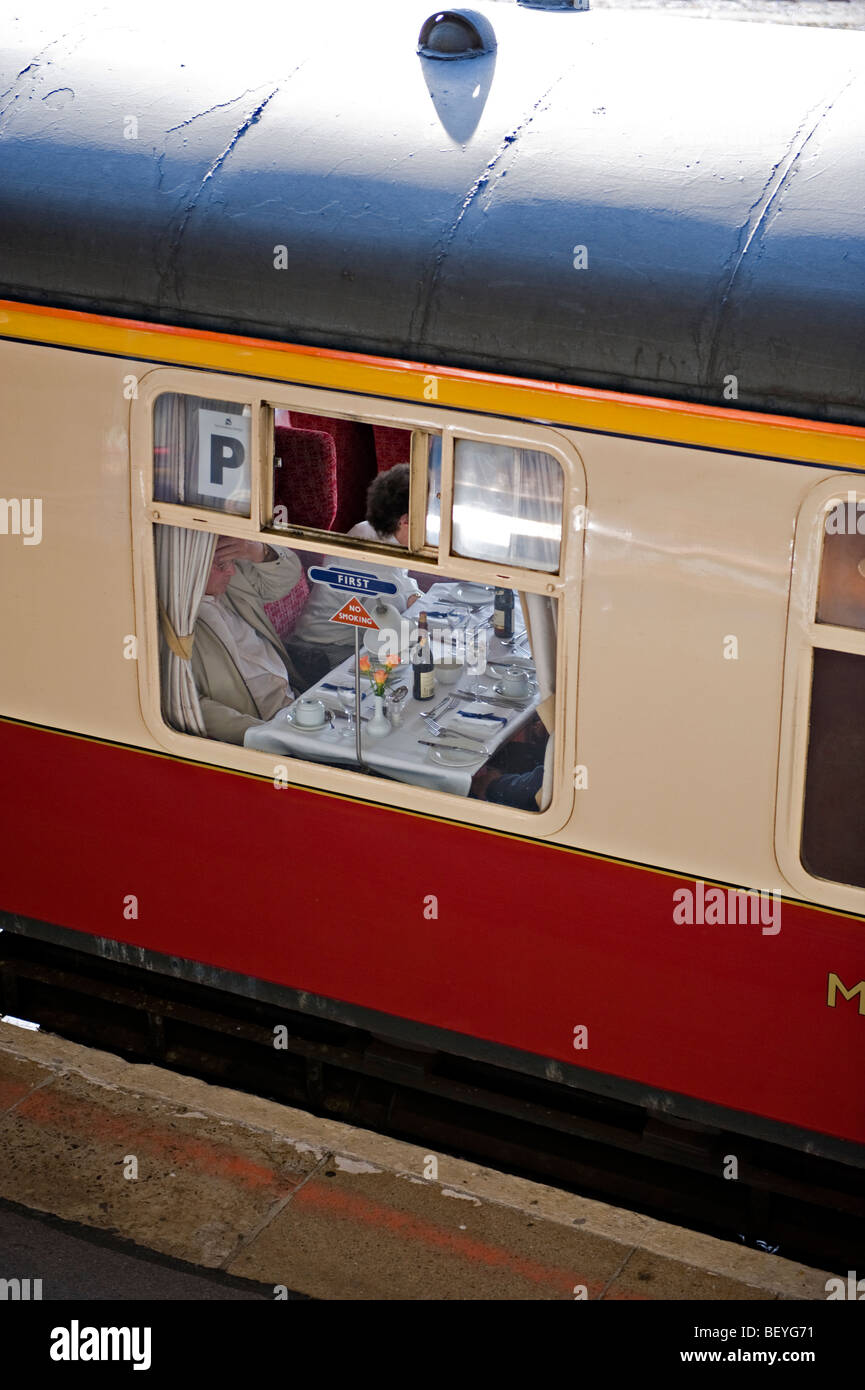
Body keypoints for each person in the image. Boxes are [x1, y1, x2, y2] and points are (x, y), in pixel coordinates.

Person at [292, 464, 422, 666]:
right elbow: (391, 632)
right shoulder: (372, 553)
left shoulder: (373, 531)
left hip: (350, 640)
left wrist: (414, 594)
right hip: (323, 653)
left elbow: (399, 583)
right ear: (405, 521)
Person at [191, 536, 307, 745]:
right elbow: (188, 702)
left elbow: (288, 576)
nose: (231, 571)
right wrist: (265, 734)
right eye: (221, 565)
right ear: (189, 570)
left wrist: (258, 551)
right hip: (263, 725)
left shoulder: (231, 586)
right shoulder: (175, 624)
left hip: (296, 703)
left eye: (231, 562)